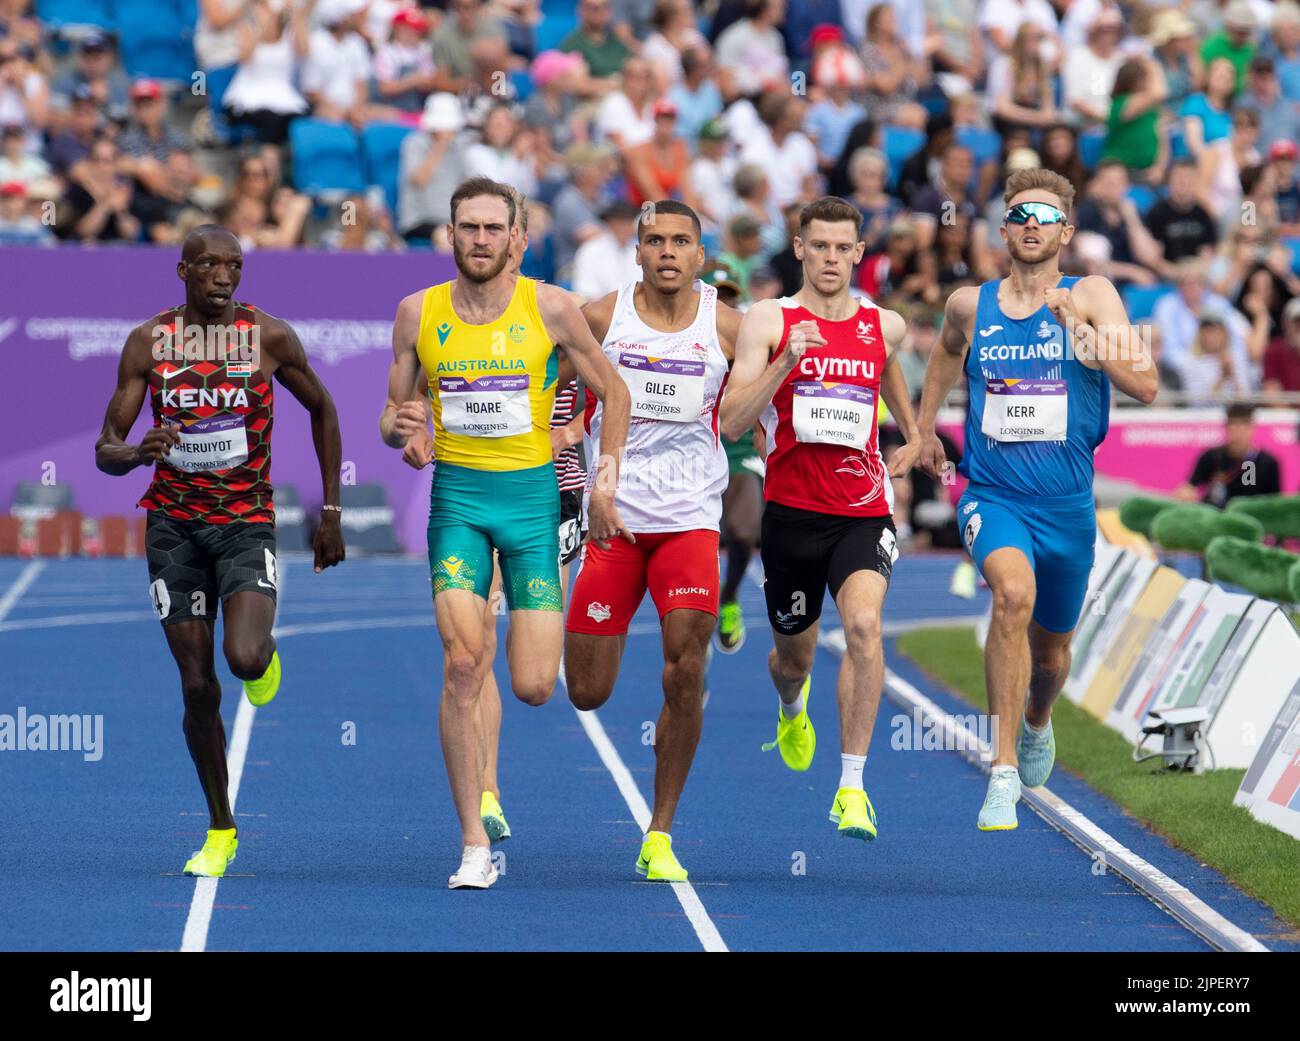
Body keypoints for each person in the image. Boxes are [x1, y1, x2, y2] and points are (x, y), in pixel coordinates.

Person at [380, 177, 631, 889]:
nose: (481, 239)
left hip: (532, 508)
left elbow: (616, 391)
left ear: (517, 237)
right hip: (458, 503)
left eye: (495, 228)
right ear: (450, 234)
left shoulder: (550, 307)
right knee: (463, 662)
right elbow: (392, 412)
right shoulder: (416, 314)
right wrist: (404, 430)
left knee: (532, 685)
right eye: (469, 227)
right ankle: (471, 845)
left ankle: (491, 765)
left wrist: (604, 479)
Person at [93, 225, 346, 877]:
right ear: (182, 271)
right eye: (208, 265)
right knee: (198, 686)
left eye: (233, 264)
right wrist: (135, 451)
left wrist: (332, 511)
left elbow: (323, 407)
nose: (223, 276)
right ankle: (220, 826)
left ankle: (262, 657)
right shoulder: (149, 343)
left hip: (244, 521)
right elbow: (107, 447)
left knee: (242, 657)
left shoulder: (269, 336)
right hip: (173, 526)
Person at [915, 168, 1157, 831]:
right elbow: (943, 351)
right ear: (1003, 229)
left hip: (1068, 507)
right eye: (1020, 213)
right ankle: (999, 769)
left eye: (1045, 216)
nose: (1031, 224)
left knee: (1050, 657)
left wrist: (1083, 329)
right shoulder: (971, 303)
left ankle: (1036, 719)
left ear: (1066, 232)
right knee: (1011, 594)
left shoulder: (1095, 293)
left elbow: (1147, 384)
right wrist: (922, 428)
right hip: (993, 494)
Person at [720, 195, 923, 844]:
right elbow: (729, 420)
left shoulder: (882, 324)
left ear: (859, 253)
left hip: (862, 510)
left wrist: (913, 434)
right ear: (799, 247)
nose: (832, 258)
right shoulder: (768, 320)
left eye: (844, 247)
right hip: (790, 515)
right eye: (820, 246)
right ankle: (790, 705)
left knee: (864, 626)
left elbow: (887, 372)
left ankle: (853, 786)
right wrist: (785, 361)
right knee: (793, 659)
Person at [565, 200, 743, 880]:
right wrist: (569, 449)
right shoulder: (603, 317)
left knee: (687, 668)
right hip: (616, 521)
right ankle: (657, 732)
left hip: (690, 518)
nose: (668, 251)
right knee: (586, 690)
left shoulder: (724, 326)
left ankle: (660, 830)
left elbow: (758, 403)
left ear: (700, 255)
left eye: (681, 241)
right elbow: (558, 390)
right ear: (637, 252)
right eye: (654, 240)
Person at [1176, 402, 1282, 504]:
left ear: (1252, 427)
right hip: (1218, 515)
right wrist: (1186, 494)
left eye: (1244, 424)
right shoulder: (1211, 457)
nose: (1239, 430)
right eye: (1234, 424)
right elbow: (1189, 487)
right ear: (1226, 427)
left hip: (1251, 515)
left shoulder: (1268, 462)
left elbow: (1274, 502)